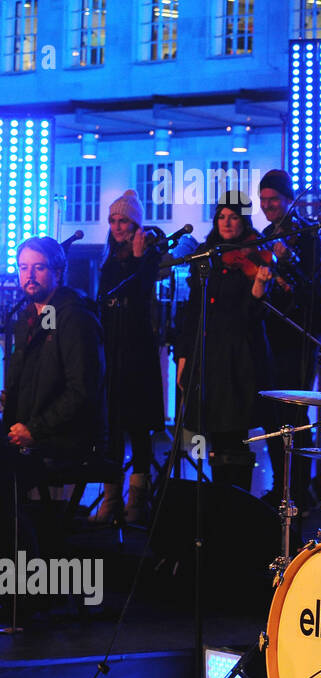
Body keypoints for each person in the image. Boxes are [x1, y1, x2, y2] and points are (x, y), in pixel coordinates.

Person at [177, 204, 274, 491]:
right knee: (215, 430)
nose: (227, 223)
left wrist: (258, 289)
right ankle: (219, 498)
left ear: (243, 221)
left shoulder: (255, 252)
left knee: (236, 429)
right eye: (222, 217)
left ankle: (238, 498)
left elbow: (255, 316)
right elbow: (194, 309)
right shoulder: (207, 256)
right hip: (210, 352)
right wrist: (184, 355)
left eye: (233, 217)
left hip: (240, 353)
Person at [3, 237, 107, 473]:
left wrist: (34, 430)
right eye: (23, 268)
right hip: (42, 432)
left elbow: (82, 391)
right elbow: (39, 381)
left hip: (67, 440)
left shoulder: (75, 318)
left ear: (58, 273)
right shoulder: (29, 317)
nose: (29, 275)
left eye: (38, 267)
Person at [93, 191, 165, 524]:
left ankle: (137, 503)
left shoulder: (147, 254)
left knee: (138, 430)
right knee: (113, 427)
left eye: (123, 220)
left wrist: (138, 259)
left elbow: (140, 298)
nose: (117, 226)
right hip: (113, 349)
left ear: (135, 223)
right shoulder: (108, 257)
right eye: (113, 220)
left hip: (138, 352)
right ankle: (110, 501)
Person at [258, 169, 321, 507]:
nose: (268, 206)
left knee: (295, 418)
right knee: (272, 417)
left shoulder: (309, 235)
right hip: (272, 335)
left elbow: (313, 288)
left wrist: (290, 261)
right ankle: (280, 485)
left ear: (288, 199)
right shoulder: (267, 234)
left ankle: (298, 488)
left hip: (299, 340)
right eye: (264, 200)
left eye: (274, 200)